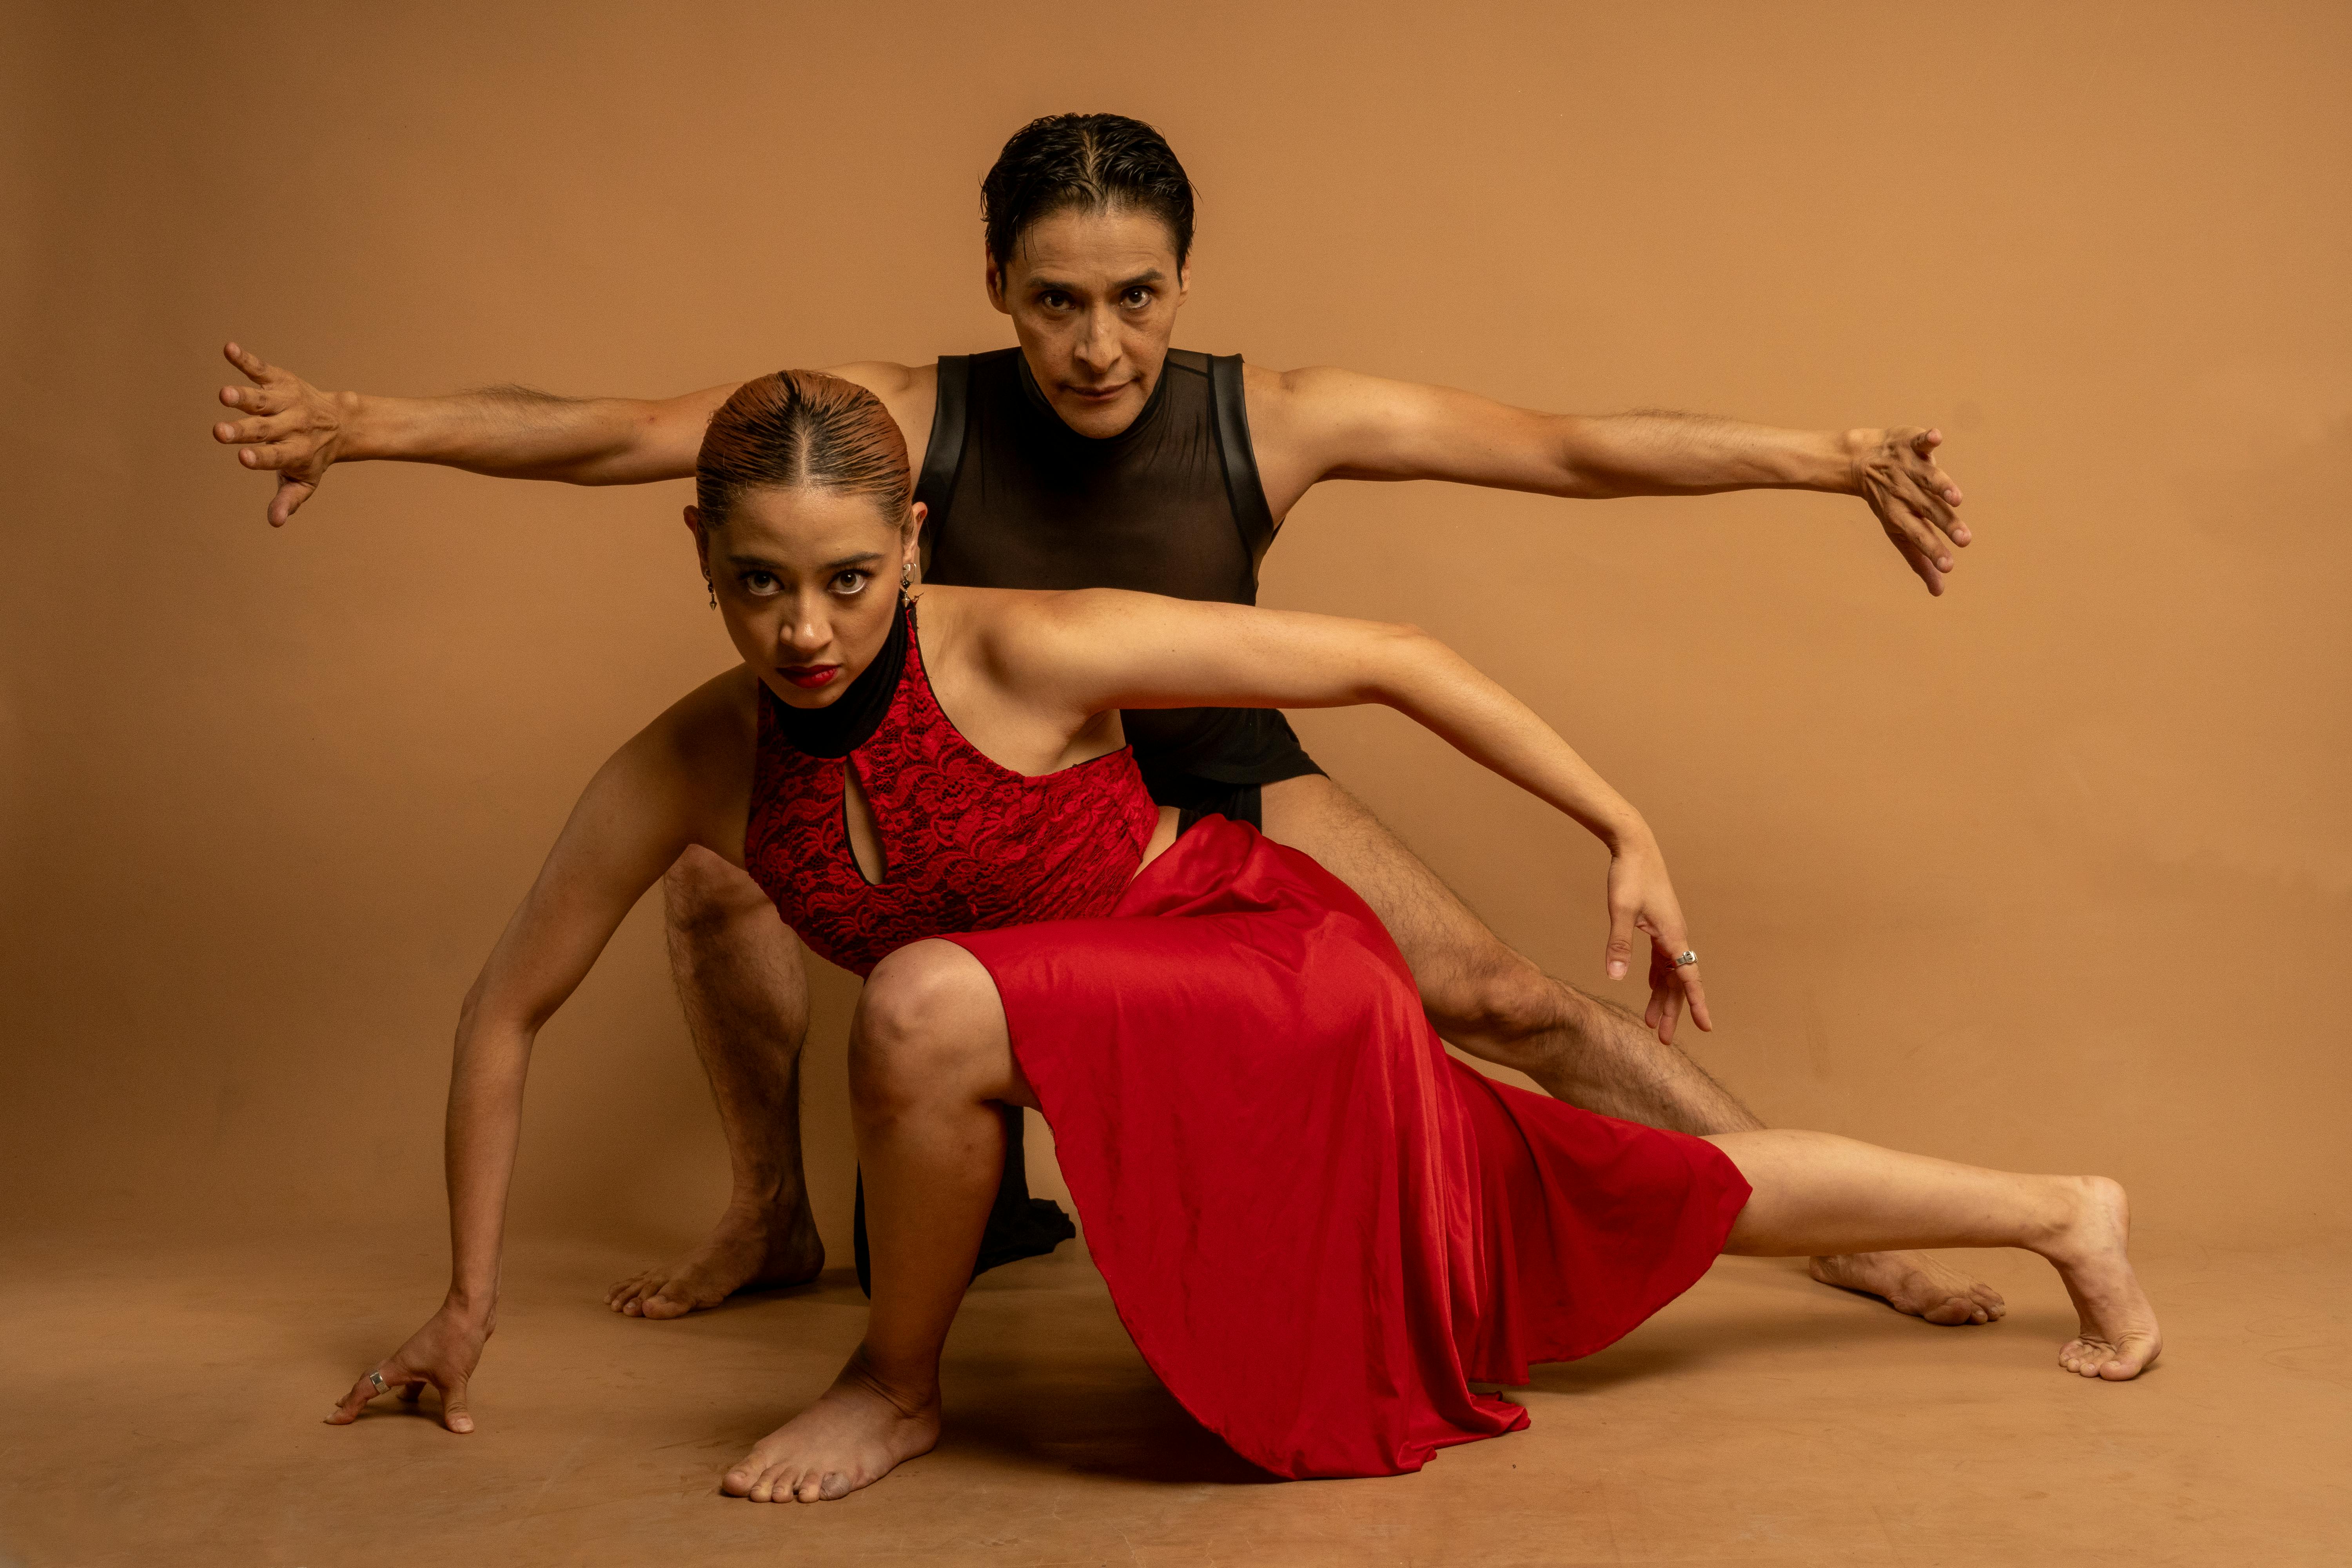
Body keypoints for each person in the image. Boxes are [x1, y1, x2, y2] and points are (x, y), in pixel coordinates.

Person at [219, 112, 1998, 1327]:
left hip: (1201, 787)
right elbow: (614, 429)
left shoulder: (1270, 420)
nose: (1096, 345)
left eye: (1134, 297)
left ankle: (1824, 1228)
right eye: (1056, 301)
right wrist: (363, 421)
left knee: (1508, 999)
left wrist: (1833, 457)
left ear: (1184, 284)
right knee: (714, 874)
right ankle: (771, 1208)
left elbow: (1571, 447)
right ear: (998, 286)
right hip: (957, 786)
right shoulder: (910, 415)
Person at [326, 373, 2154, 1504]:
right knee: (1604, 1188)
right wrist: (469, 1303)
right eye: (758, 582)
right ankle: (2066, 1211)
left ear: (911, 530)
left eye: (850, 577)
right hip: (1126, 1055)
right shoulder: (691, 759)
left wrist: (1625, 826)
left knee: (926, 990)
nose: (809, 629)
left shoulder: (1026, 648)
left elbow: (1395, 659)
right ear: (700, 558)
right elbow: (507, 1010)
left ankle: (895, 1384)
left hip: (1264, 976)